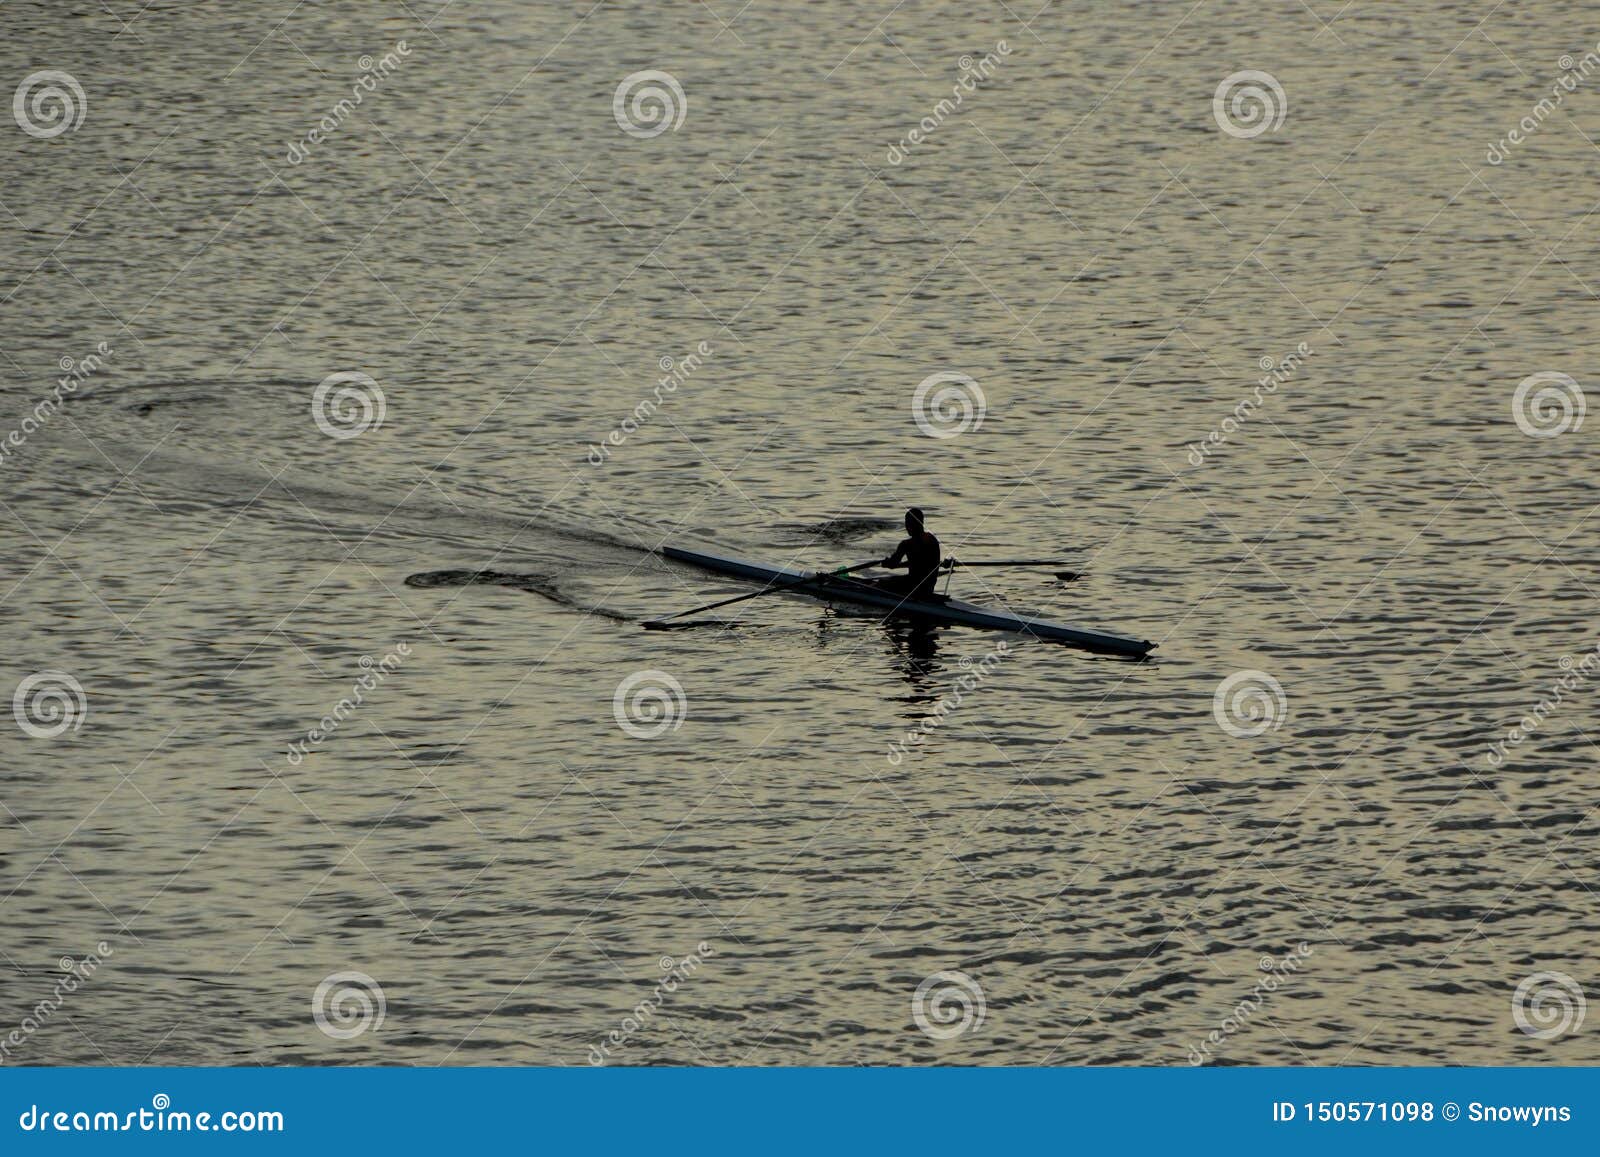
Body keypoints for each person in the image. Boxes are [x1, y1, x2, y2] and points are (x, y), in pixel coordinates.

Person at [877, 508, 943, 600]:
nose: (907, 526)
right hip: (928, 587)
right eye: (906, 523)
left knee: (882, 582)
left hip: (913, 586)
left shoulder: (906, 544)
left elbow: (892, 564)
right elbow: (920, 562)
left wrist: (885, 563)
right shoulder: (932, 539)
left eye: (908, 523)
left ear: (916, 523)